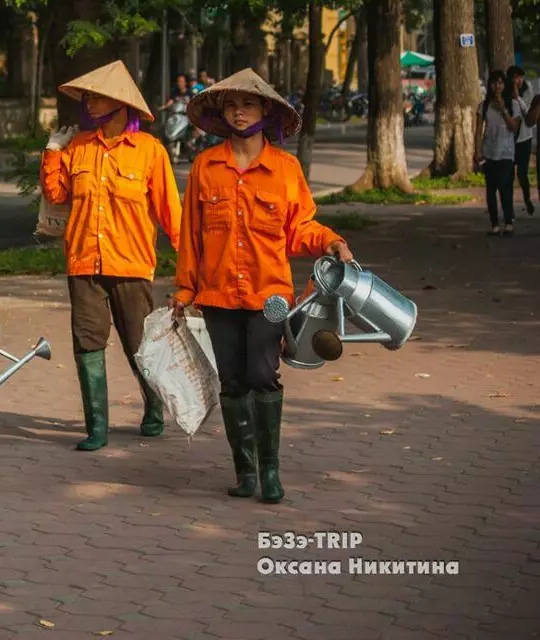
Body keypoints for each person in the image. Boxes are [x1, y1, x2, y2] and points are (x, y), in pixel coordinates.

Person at [169, 68, 353, 504]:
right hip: (216, 295)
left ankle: (271, 472)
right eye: (231, 105)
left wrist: (331, 240)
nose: (238, 111)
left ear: (264, 110)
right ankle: (245, 472)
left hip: (271, 296)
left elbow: (300, 227)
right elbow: (190, 235)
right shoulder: (205, 166)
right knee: (232, 381)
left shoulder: (285, 168)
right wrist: (183, 290)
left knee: (261, 376)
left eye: (247, 104)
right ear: (221, 113)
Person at [41, 61, 182, 450]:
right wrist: (53, 151)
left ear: (120, 103)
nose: (89, 102)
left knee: (139, 343)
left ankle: (154, 407)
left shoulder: (150, 151)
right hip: (84, 261)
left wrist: (192, 272)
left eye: (96, 96)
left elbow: (173, 215)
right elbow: (56, 195)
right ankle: (96, 428)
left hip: (131, 263)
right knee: (87, 343)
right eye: (88, 96)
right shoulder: (80, 146)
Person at [474, 70, 524, 236]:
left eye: (501, 82)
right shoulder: (484, 105)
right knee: (491, 190)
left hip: (506, 153)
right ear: (490, 85)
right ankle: (494, 224)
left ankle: (508, 221)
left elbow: (514, 127)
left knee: (505, 188)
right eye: (494, 83)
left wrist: (503, 109)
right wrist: (477, 152)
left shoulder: (513, 105)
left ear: (505, 85)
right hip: (489, 152)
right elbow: (478, 130)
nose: (497, 86)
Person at [507, 66, 534, 216]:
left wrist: (517, 98)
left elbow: (527, 114)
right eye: (515, 78)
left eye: (520, 77)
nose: (518, 81)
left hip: (524, 138)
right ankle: (509, 208)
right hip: (509, 141)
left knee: (522, 173)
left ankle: (527, 198)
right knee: (509, 175)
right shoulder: (504, 93)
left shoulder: (528, 90)